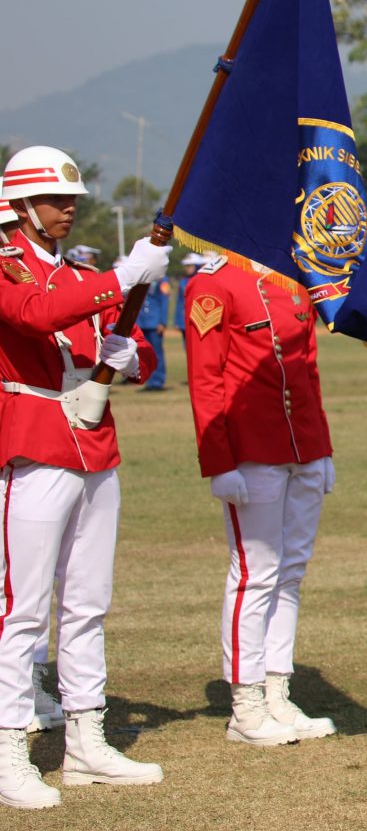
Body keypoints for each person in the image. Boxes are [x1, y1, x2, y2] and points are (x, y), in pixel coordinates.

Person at [0, 145, 171, 808]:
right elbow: (37, 315)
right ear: (20, 206)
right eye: (55, 200)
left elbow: (134, 352)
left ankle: (85, 740)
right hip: (34, 439)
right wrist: (125, 274)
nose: (68, 209)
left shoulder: (78, 274)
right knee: (22, 610)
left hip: (93, 443)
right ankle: (8, 750)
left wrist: (128, 357)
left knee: (87, 603)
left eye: (72, 199)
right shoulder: (8, 264)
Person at [183, 256, 337, 746]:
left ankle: (276, 691)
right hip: (251, 449)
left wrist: (321, 448)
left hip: (302, 447)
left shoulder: (292, 279)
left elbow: (307, 369)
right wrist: (219, 461)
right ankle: (246, 706)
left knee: (290, 572)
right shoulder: (213, 284)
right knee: (254, 574)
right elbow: (205, 378)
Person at [136, 256, 171, 392]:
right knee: (144, 353)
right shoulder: (140, 278)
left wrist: (162, 321)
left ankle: (158, 381)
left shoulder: (162, 280)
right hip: (141, 321)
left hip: (155, 322)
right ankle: (148, 380)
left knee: (157, 352)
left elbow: (164, 301)